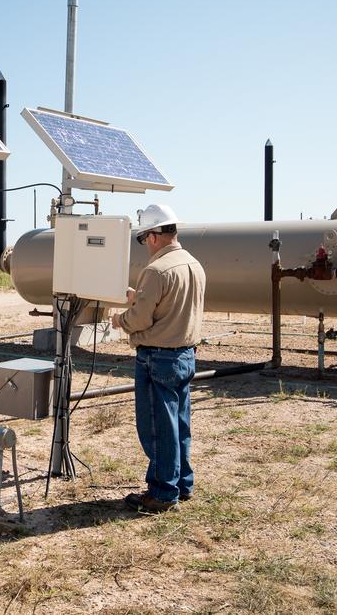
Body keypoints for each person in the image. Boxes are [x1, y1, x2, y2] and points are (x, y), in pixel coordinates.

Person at [110, 203, 206, 512]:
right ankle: (181, 483)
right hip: (184, 355)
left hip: (157, 358)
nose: (145, 246)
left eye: (142, 239)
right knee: (178, 424)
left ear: (152, 236)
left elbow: (141, 320)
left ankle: (163, 493)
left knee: (157, 428)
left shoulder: (155, 270)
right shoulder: (194, 264)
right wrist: (138, 298)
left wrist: (120, 320)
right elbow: (169, 307)